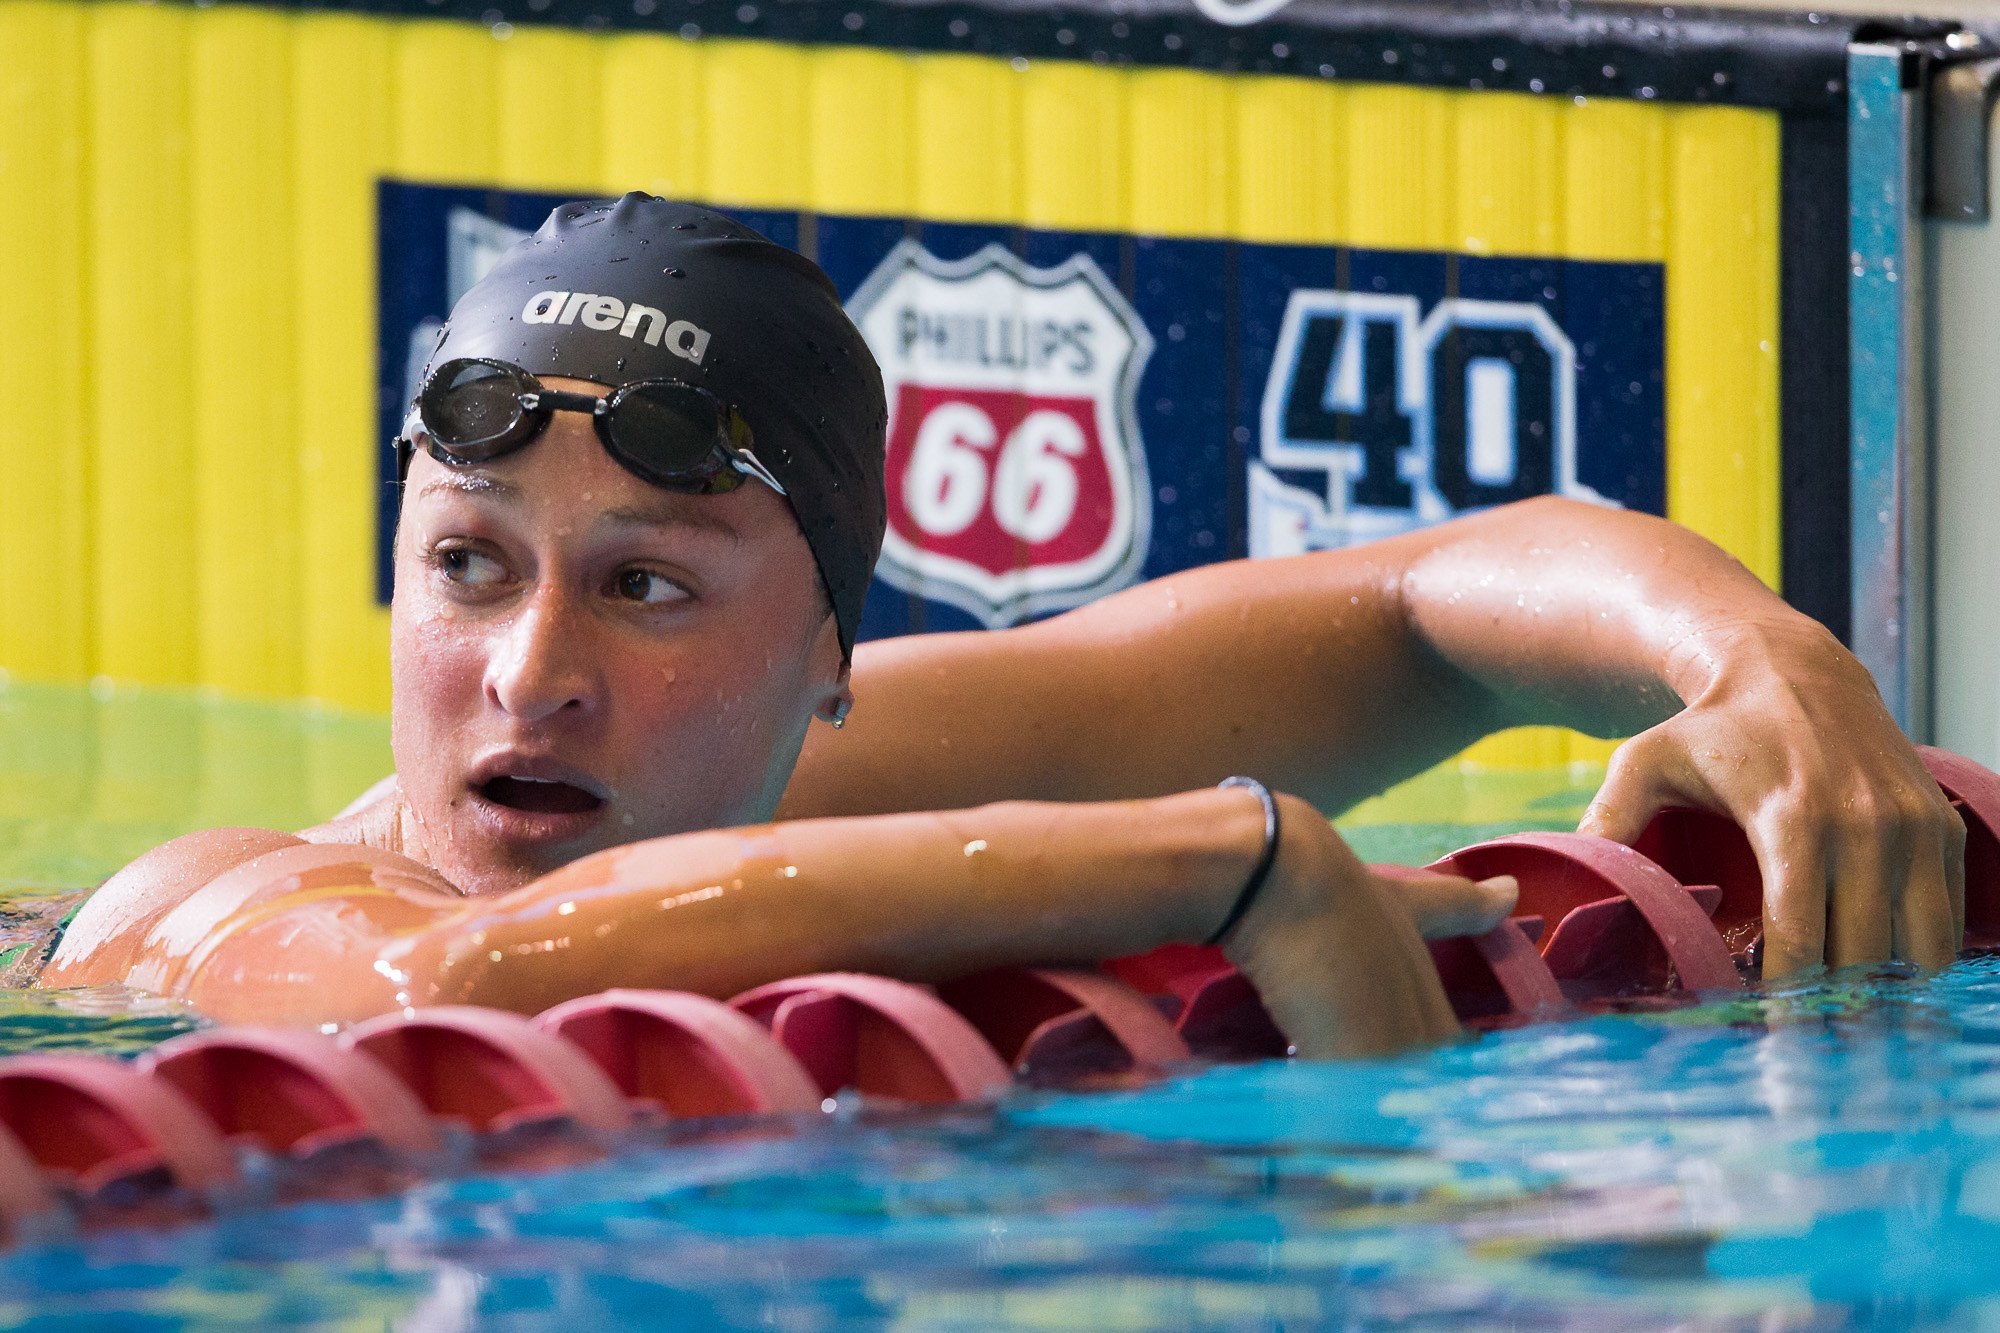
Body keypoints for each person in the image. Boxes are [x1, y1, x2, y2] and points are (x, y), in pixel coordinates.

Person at [36, 194, 1963, 1058]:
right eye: (468, 562)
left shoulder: (842, 778)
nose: (529, 670)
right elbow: (432, 996)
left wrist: (1756, 659)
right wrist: (1235, 859)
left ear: (828, 662)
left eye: (646, 583)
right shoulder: (223, 898)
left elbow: (1420, 606)